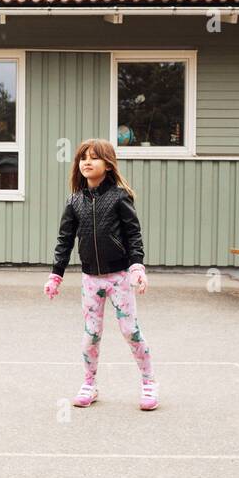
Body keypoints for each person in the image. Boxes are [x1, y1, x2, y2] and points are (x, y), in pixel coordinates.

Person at [45, 138, 158, 411]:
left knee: (130, 331)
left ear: (107, 165)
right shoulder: (74, 201)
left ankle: (148, 383)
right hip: (90, 279)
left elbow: (133, 235)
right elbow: (65, 239)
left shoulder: (120, 197)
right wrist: (55, 275)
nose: (87, 162)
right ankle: (89, 384)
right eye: (83, 157)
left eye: (94, 157)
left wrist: (137, 267)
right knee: (91, 334)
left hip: (119, 276)